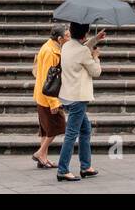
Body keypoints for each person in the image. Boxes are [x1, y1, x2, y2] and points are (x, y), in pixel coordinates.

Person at [57, 21, 104, 181]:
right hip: (78, 98)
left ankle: (86, 166)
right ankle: (63, 169)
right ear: (85, 33)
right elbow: (96, 72)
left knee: (85, 129)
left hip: (67, 95)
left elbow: (81, 47)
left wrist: (95, 39)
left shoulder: (67, 46)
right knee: (71, 134)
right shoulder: (84, 52)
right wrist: (96, 57)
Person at [32, 22, 69, 169]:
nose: (69, 37)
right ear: (59, 38)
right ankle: (40, 153)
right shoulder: (50, 52)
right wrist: (54, 102)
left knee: (46, 129)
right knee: (58, 126)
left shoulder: (50, 47)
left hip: (42, 96)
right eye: (67, 35)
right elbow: (49, 80)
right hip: (48, 97)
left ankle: (43, 158)